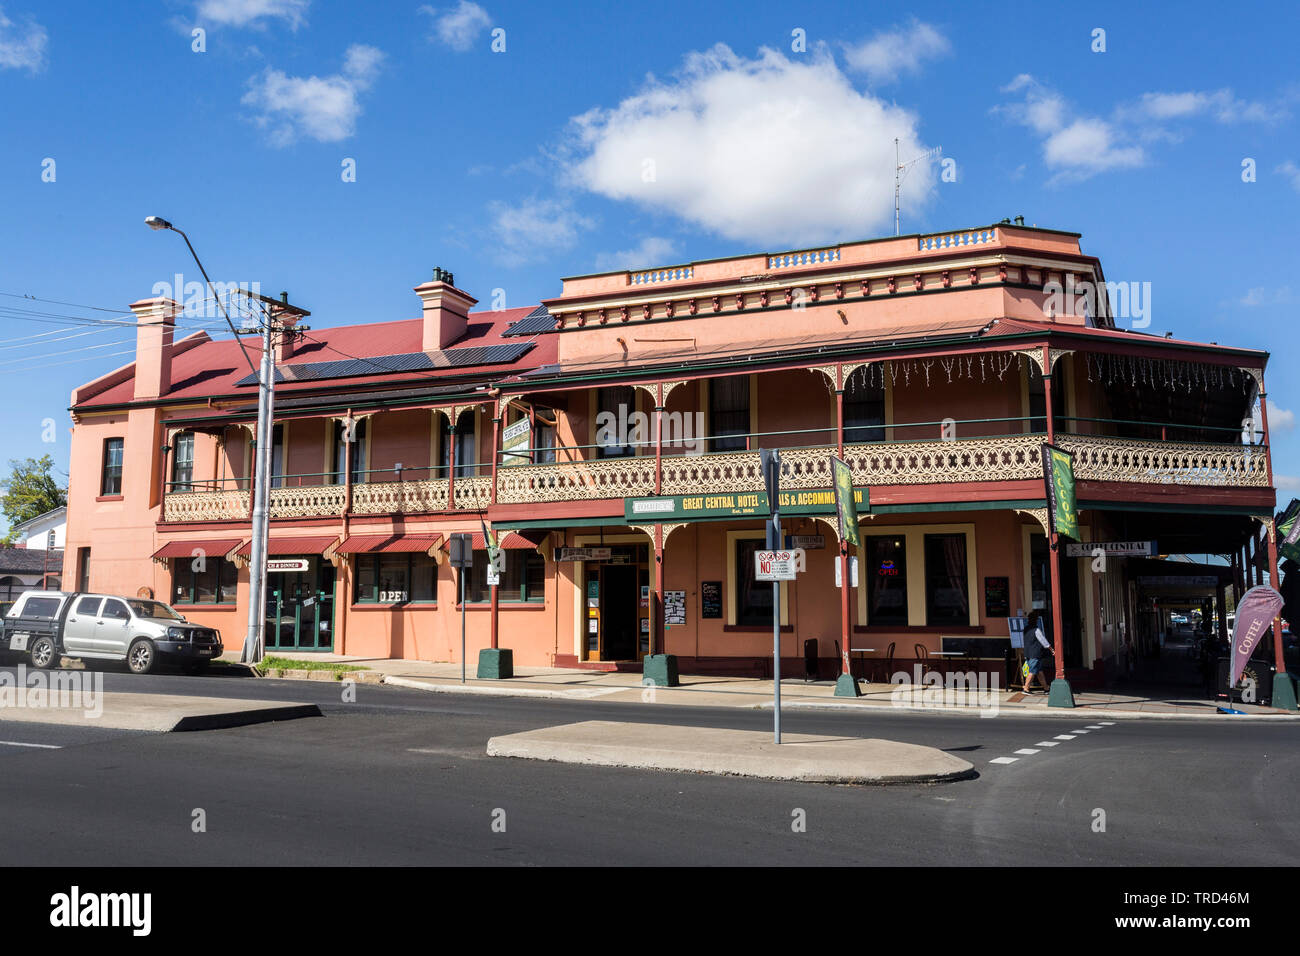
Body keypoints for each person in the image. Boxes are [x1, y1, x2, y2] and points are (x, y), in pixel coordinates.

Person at [1022, 609, 1053, 694]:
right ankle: (1026, 688)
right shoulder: (1036, 630)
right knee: (1032, 671)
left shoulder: (1026, 629)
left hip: (1028, 653)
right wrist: (1051, 649)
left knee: (1039, 672)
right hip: (1035, 653)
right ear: (1036, 620)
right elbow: (1043, 641)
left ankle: (1046, 688)